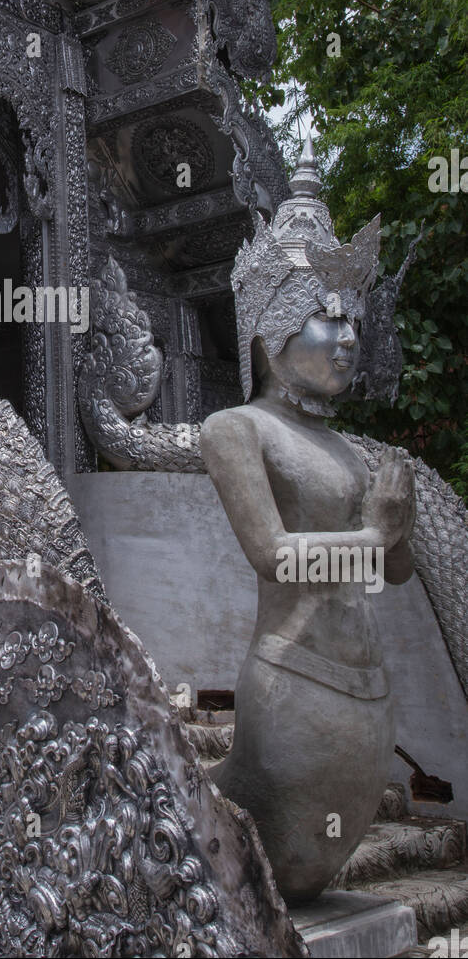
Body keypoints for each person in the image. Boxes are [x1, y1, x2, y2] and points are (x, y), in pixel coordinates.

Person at [201, 137, 415, 904]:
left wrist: (395, 526)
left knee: (313, 886)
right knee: (278, 875)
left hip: (366, 691)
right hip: (295, 683)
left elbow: (396, 570)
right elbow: (274, 555)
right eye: (328, 317)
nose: (349, 338)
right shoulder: (237, 430)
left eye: (353, 318)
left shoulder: (351, 450)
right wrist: (372, 537)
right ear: (271, 331)